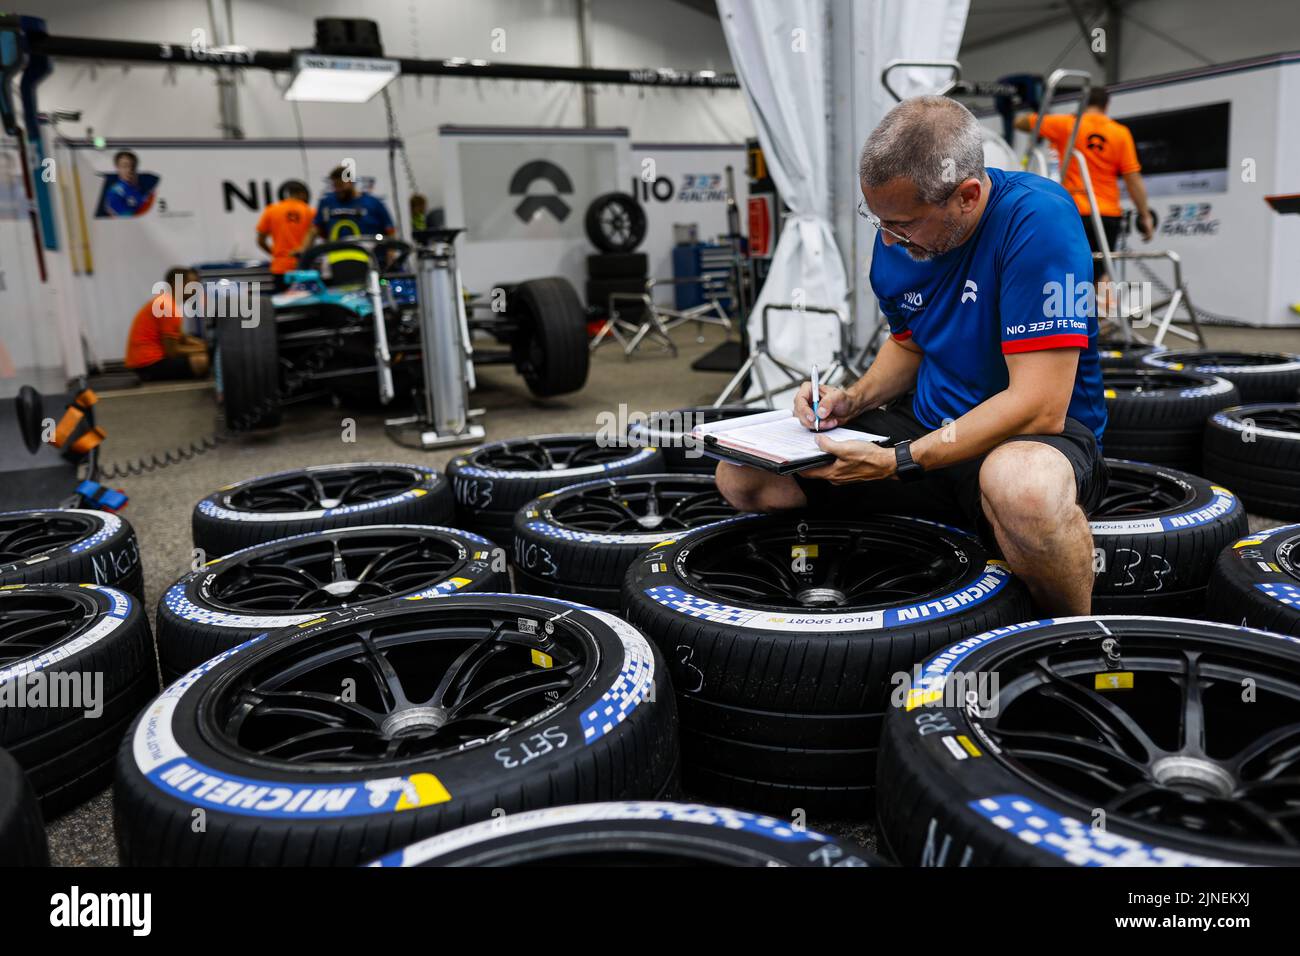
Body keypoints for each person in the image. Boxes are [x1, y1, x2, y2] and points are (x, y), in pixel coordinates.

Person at [717, 96, 1108, 617]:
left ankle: (1073, 638)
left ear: (968, 196)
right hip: (927, 429)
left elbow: (1041, 406)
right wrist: (850, 400)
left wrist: (898, 462)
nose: (887, 238)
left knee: (1023, 489)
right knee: (742, 475)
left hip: (1030, 437)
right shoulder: (899, 233)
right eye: (877, 218)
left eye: (902, 223)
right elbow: (911, 341)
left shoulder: (1040, 220)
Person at [1015, 87, 1154, 282]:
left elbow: (1020, 123)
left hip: (1074, 211)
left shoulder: (1066, 124)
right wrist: (1145, 215)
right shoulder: (1120, 133)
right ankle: (1102, 312)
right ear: (1106, 105)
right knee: (1102, 276)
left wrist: (1054, 120)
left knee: (1069, 273)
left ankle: (1071, 311)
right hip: (1107, 214)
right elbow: (1133, 179)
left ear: (1082, 103)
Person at [311, 165, 395, 283]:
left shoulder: (373, 203)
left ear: (350, 182)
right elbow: (316, 229)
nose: (338, 190)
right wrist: (304, 251)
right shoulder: (327, 202)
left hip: (371, 262)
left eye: (340, 185)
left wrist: (391, 257)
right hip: (337, 264)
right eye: (335, 186)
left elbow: (390, 231)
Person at [124, 267, 210, 380]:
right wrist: (204, 349)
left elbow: (182, 338)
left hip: (144, 363)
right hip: (148, 365)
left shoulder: (166, 302)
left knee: (203, 355)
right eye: (192, 284)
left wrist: (204, 345)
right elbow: (172, 352)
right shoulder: (168, 307)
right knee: (201, 361)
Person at [256, 180, 315, 291]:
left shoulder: (271, 210)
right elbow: (316, 235)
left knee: (282, 304)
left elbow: (260, 240)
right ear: (301, 193)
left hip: (280, 267)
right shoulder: (309, 211)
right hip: (303, 267)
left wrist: (275, 253)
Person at [102, 150, 158, 218]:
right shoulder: (114, 193)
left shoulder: (138, 189)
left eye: (132, 166)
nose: (129, 169)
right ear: (118, 168)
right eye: (125, 166)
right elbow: (130, 219)